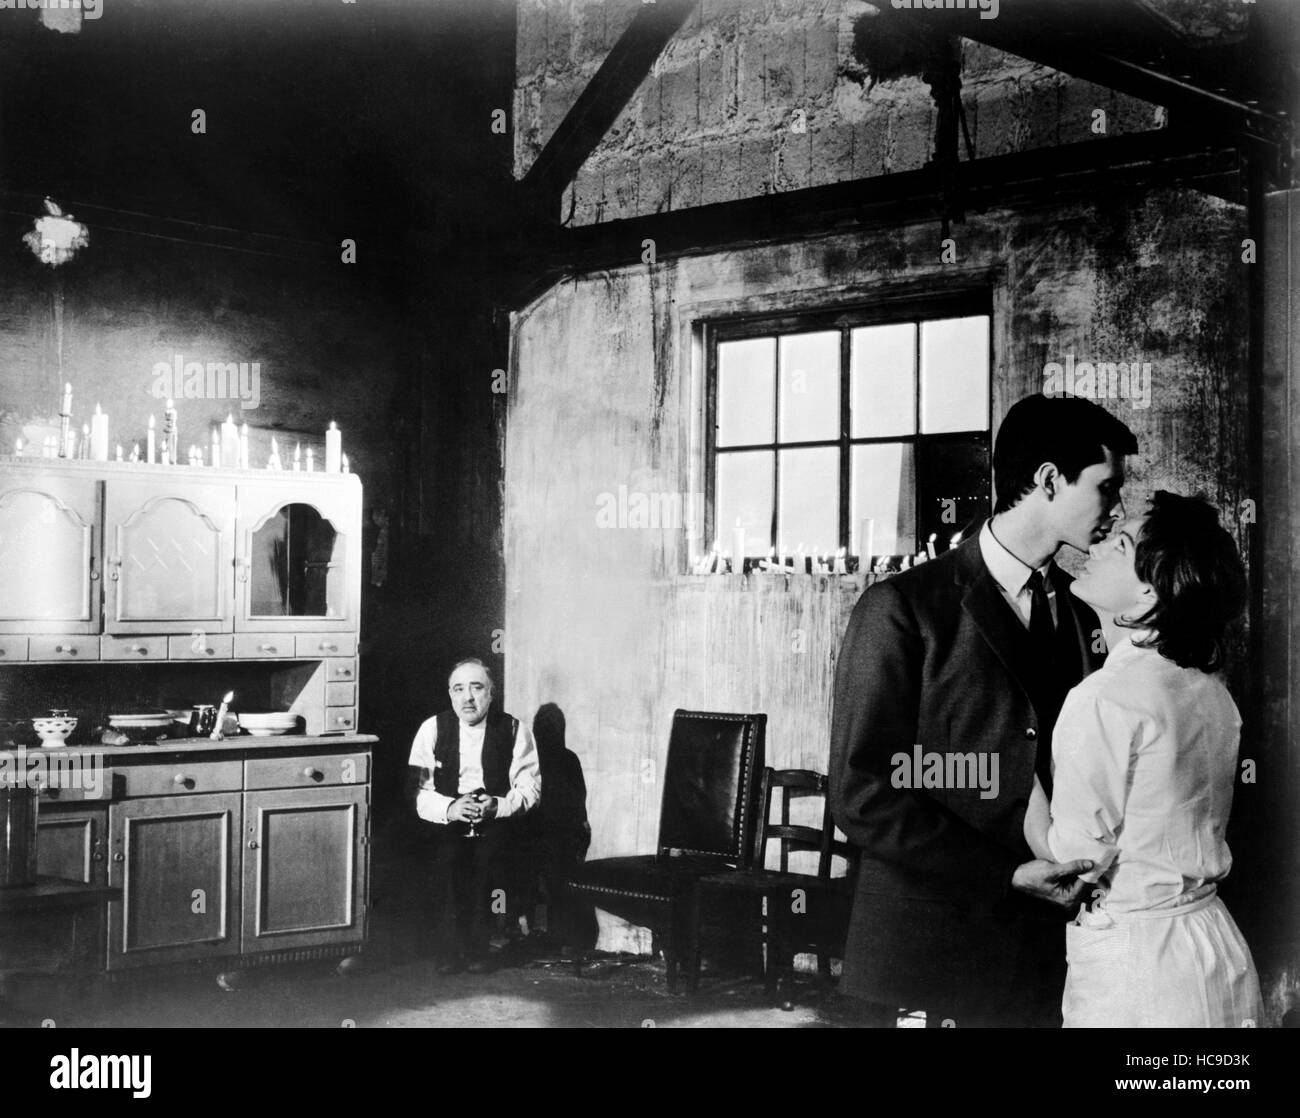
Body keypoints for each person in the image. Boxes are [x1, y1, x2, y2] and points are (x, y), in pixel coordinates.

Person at [830, 393, 1138, 1027]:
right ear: (1050, 481)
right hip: (925, 959)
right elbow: (862, 793)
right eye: (1107, 487)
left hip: (1040, 960)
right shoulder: (901, 609)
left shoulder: (1080, 616)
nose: (1119, 508)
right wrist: (1006, 874)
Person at [1023, 492, 1263, 1027]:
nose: (1101, 542)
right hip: (1212, 939)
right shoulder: (1209, 691)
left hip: (1140, 965)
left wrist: (1013, 775)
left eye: (1122, 542)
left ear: (1147, 596)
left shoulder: (1104, 698)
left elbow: (1074, 860)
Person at [407, 657, 541, 974]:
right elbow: (417, 791)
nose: (468, 697)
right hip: (448, 819)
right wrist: (450, 809)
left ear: (491, 693)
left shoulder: (513, 729)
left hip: (496, 820)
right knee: (448, 856)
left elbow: (530, 789)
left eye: (477, 688)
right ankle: (450, 950)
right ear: (451, 695)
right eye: (459, 689)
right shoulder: (432, 728)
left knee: (489, 856)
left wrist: (497, 805)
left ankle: (479, 947)